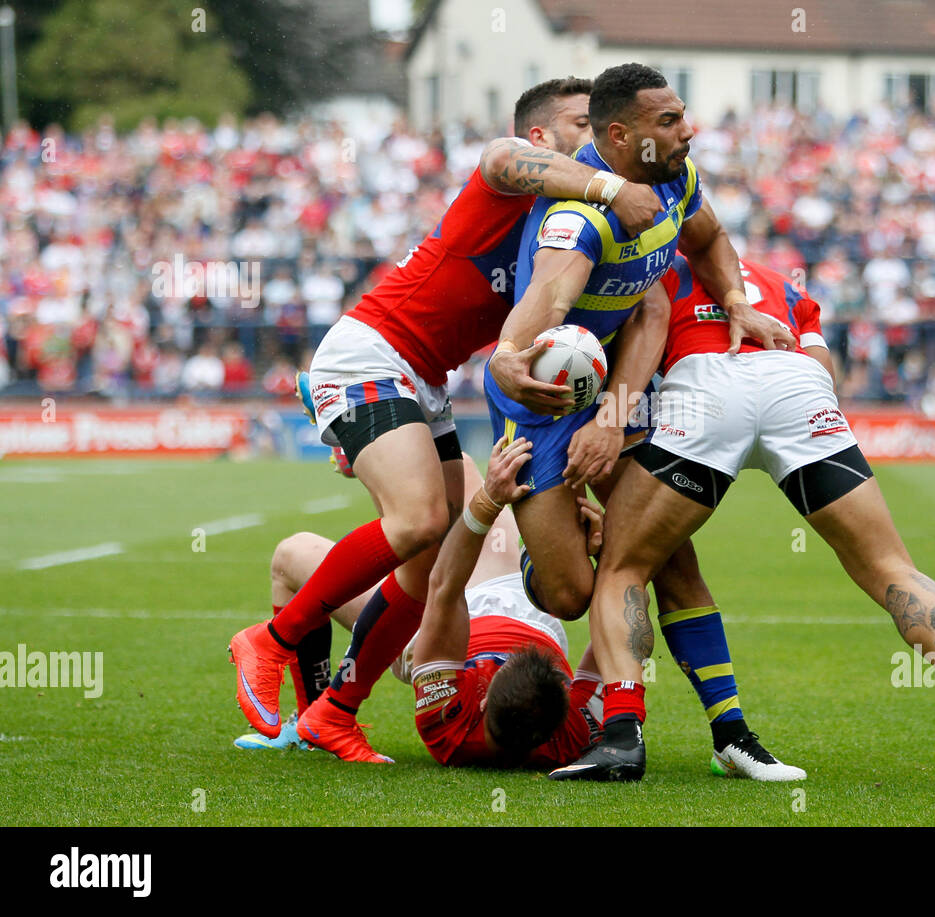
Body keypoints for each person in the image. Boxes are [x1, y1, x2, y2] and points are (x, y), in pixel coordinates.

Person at [228, 77, 667, 763]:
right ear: (542, 139)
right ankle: (274, 638)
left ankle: (332, 713)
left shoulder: (567, 226)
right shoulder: (514, 181)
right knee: (420, 521)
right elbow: (498, 157)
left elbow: (645, 304)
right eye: (583, 123)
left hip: (423, 380)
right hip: (375, 349)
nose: (599, 134)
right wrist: (609, 186)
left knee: (426, 562)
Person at [550, 256, 935, 787]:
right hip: (800, 389)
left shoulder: (656, 266)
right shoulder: (785, 285)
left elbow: (644, 330)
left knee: (624, 567)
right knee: (891, 566)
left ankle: (622, 734)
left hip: (710, 382)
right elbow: (826, 373)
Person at [234, 448, 803, 778]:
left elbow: (444, 586)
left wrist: (487, 507)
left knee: (448, 475)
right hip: (482, 616)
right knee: (312, 551)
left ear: (483, 691)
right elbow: (623, 638)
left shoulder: (448, 723)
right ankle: (310, 724)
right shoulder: (574, 734)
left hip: (442, 628)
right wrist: (614, 561)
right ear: (560, 695)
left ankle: (360, 445)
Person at [484, 63, 793, 636]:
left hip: (618, 378)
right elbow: (549, 299)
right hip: (547, 391)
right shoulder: (579, 215)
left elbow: (711, 239)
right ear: (622, 136)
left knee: (667, 558)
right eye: (671, 121)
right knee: (569, 594)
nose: (689, 131)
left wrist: (736, 299)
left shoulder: (676, 175)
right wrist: (507, 352)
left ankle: (692, 721)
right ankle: (542, 557)